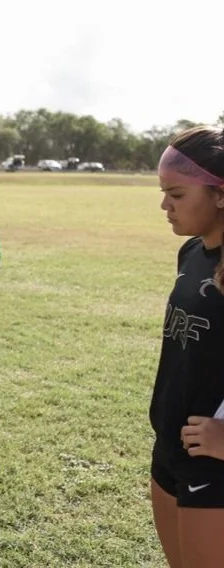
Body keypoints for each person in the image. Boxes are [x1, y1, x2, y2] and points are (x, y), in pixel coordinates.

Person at [149, 125, 224, 568]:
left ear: (219, 194)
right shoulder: (192, 252)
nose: (164, 205)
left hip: (213, 466)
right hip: (168, 448)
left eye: (176, 194)